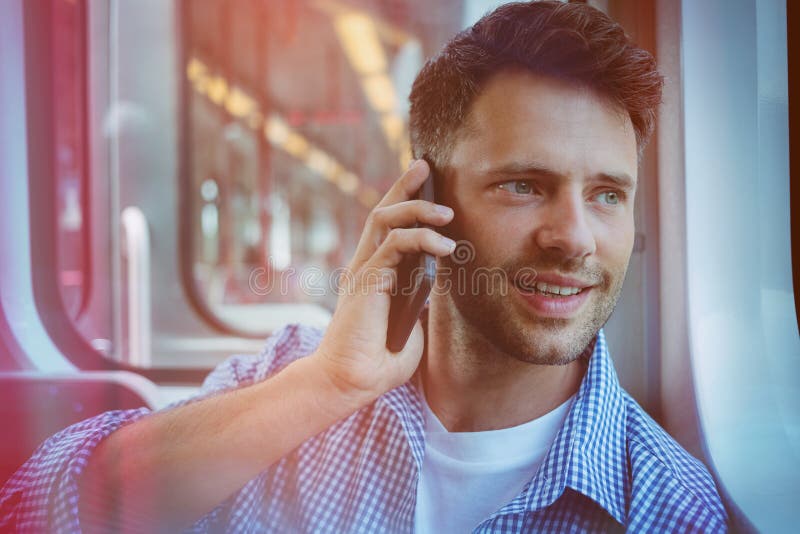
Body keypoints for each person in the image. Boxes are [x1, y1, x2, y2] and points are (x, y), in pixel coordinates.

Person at [1, 2, 729, 532]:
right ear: (424, 196)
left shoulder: (666, 502)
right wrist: (328, 387)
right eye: (524, 185)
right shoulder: (288, 378)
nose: (574, 236)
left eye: (607, 195)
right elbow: (37, 510)